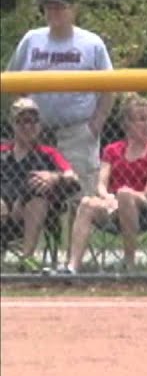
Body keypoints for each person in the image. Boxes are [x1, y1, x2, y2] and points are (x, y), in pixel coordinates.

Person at [6, 0, 113, 211]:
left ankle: (74, 248)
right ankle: (33, 246)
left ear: (73, 10)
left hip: (77, 132)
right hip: (36, 135)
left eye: (59, 8)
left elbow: (109, 88)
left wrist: (96, 125)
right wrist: (23, 122)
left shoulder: (91, 43)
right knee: (33, 198)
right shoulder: (31, 40)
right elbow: (12, 80)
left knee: (79, 200)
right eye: (48, 8)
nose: (53, 13)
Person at [64, 94, 147, 274]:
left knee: (124, 193)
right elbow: (101, 184)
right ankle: (72, 266)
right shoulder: (112, 150)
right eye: (141, 120)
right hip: (112, 206)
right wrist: (107, 197)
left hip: (145, 209)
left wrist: (125, 195)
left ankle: (129, 264)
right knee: (86, 203)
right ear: (127, 124)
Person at [0, 98, 79, 271]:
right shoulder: (3, 152)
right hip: (3, 207)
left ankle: (26, 261)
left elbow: (73, 178)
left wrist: (54, 176)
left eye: (33, 121)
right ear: (13, 125)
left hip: (30, 212)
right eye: (23, 121)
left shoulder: (48, 153)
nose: (28, 127)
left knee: (38, 200)